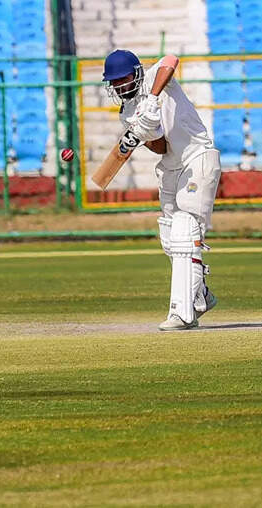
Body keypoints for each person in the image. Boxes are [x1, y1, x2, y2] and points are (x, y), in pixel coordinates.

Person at [102, 49, 221, 331]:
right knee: (170, 237)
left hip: (197, 157)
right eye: (115, 82)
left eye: (124, 78)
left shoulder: (155, 76)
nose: (121, 85)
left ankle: (183, 313)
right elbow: (162, 147)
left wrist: (153, 100)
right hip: (170, 167)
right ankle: (200, 293)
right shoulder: (128, 113)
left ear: (137, 72)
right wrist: (144, 131)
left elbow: (171, 60)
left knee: (185, 228)